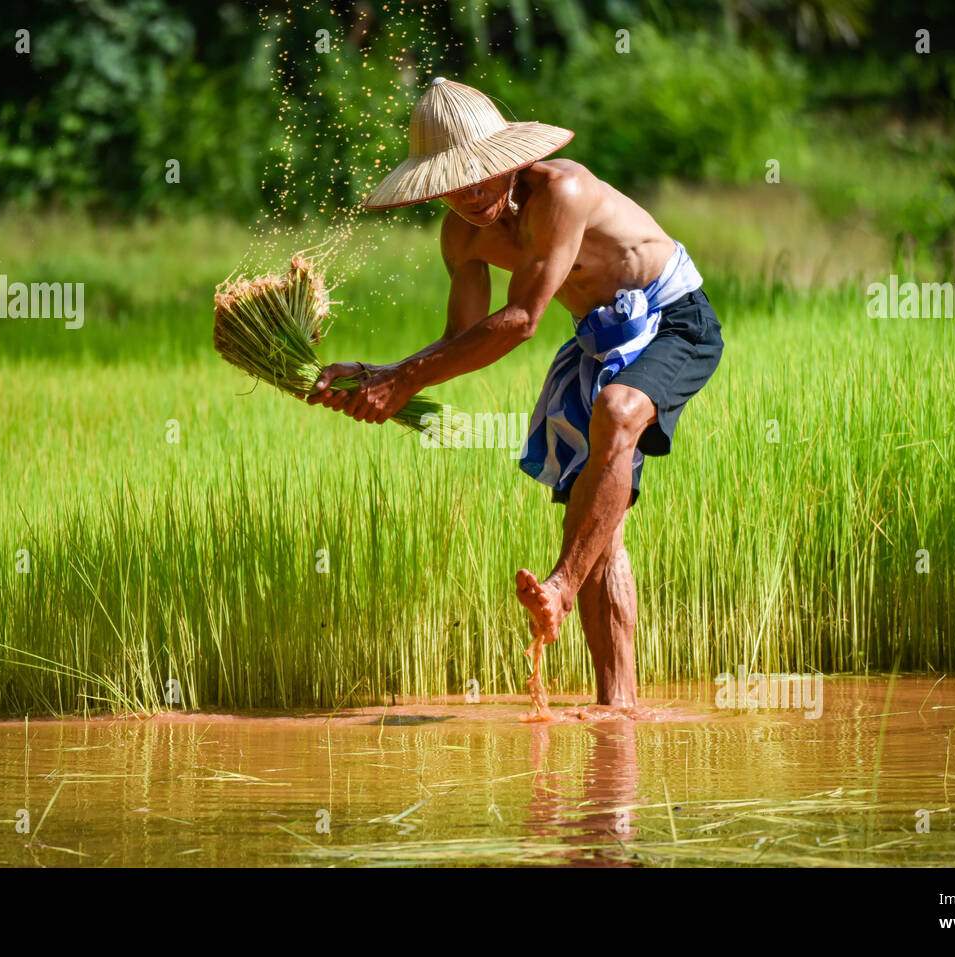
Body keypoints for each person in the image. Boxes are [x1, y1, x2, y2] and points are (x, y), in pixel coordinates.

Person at [308, 77, 723, 707]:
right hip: (597, 340)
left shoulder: (563, 190)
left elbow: (524, 320)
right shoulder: (462, 238)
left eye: (480, 172)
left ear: (510, 158)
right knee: (598, 524)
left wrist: (403, 380)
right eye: (451, 181)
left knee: (618, 411)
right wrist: (378, 375)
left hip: (675, 320)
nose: (470, 193)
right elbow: (462, 336)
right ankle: (619, 708)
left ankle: (558, 588)